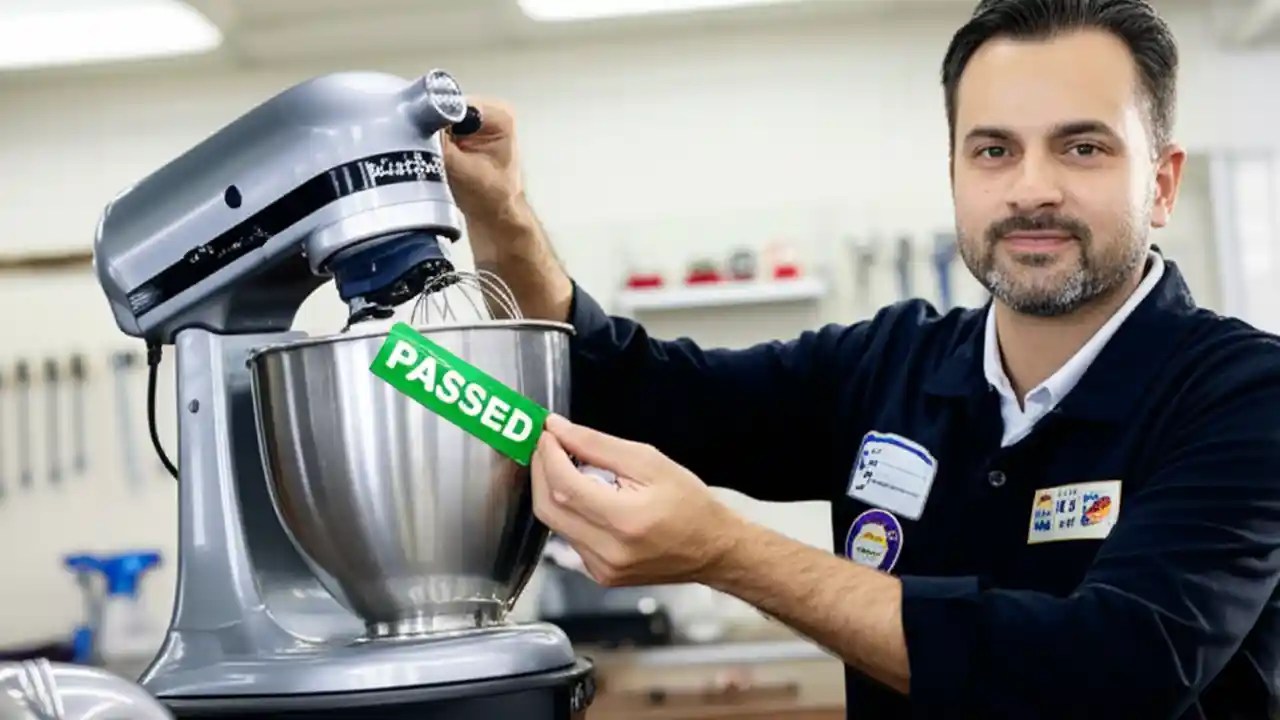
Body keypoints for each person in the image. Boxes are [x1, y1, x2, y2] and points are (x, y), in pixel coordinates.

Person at [441, 0, 1280, 717]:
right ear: (955, 174)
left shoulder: (1244, 395)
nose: (1032, 188)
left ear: (1161, 184)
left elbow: (1109, 673)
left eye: (1082, 147)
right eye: (993, 150)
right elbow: (630, 391)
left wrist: (727, 553)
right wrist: (501, 212)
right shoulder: (888, 366)